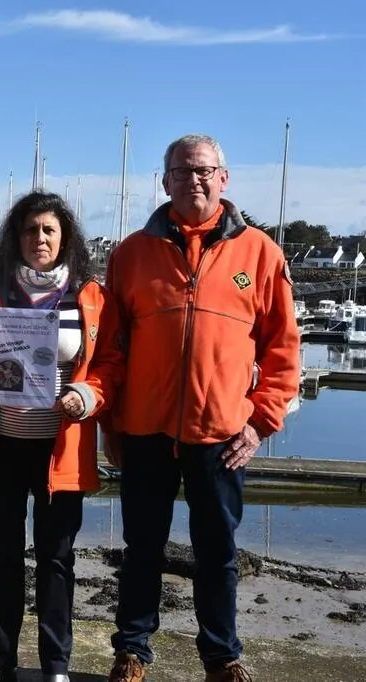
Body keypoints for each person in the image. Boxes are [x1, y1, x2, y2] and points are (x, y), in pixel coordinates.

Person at [95, 134, 301, 682]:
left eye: (204, 170)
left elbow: (283, 349)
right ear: (165, 182)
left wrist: (260, 422)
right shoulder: (131, 254)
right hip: (145, 428)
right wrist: (110, 424)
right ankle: (132, 650)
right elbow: (112, 349)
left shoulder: (260, 252)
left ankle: (221, 656)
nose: (194, 180)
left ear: (223, 178)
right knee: (141, 547)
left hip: (222, 432)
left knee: (217, 550)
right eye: (182, 171)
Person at [0, 191, 117, 682]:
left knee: (56, 560)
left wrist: (87, 394)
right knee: (2, 557)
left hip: (60, 452)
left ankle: (55, 666)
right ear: (15, 236)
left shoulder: (90, 295)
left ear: (65, 238)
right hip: (0, 447)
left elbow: (109, 365)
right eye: (29, 229)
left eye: (48, 230)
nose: (39, 238)